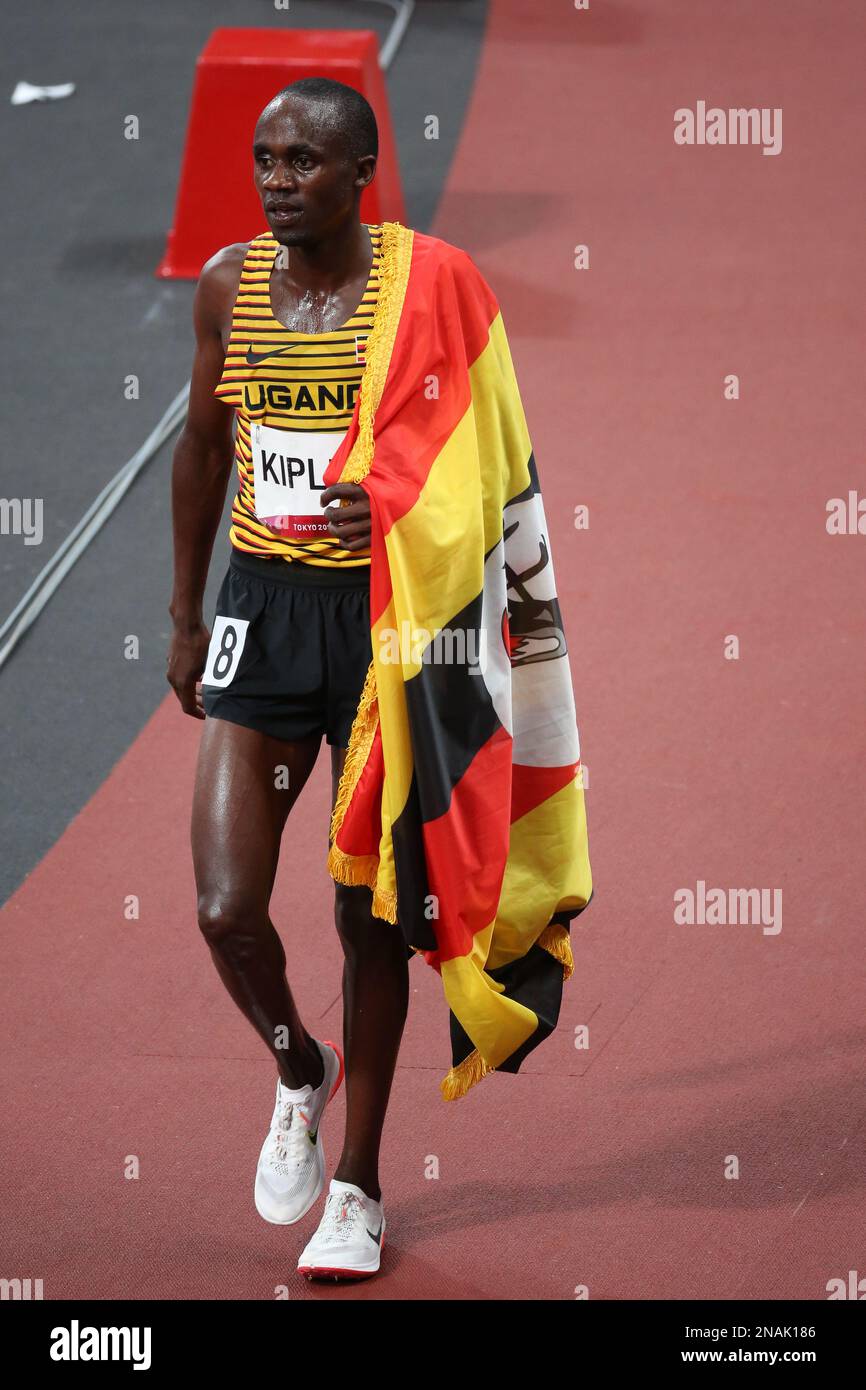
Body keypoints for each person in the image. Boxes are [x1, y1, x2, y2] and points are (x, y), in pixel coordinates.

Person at [167, 77, 405, 1280]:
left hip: (381, 625)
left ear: (362, 168)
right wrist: (181, 609)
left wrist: (402, 495)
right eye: (263, 158)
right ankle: (296, 1065)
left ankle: (357, 1185)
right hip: (260, 611)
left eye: (302, 159)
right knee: (225, 905)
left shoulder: (416, 294)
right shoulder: (227, 285)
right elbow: (204, 442)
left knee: (370, 922)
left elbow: (488, 448)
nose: (274, 179)